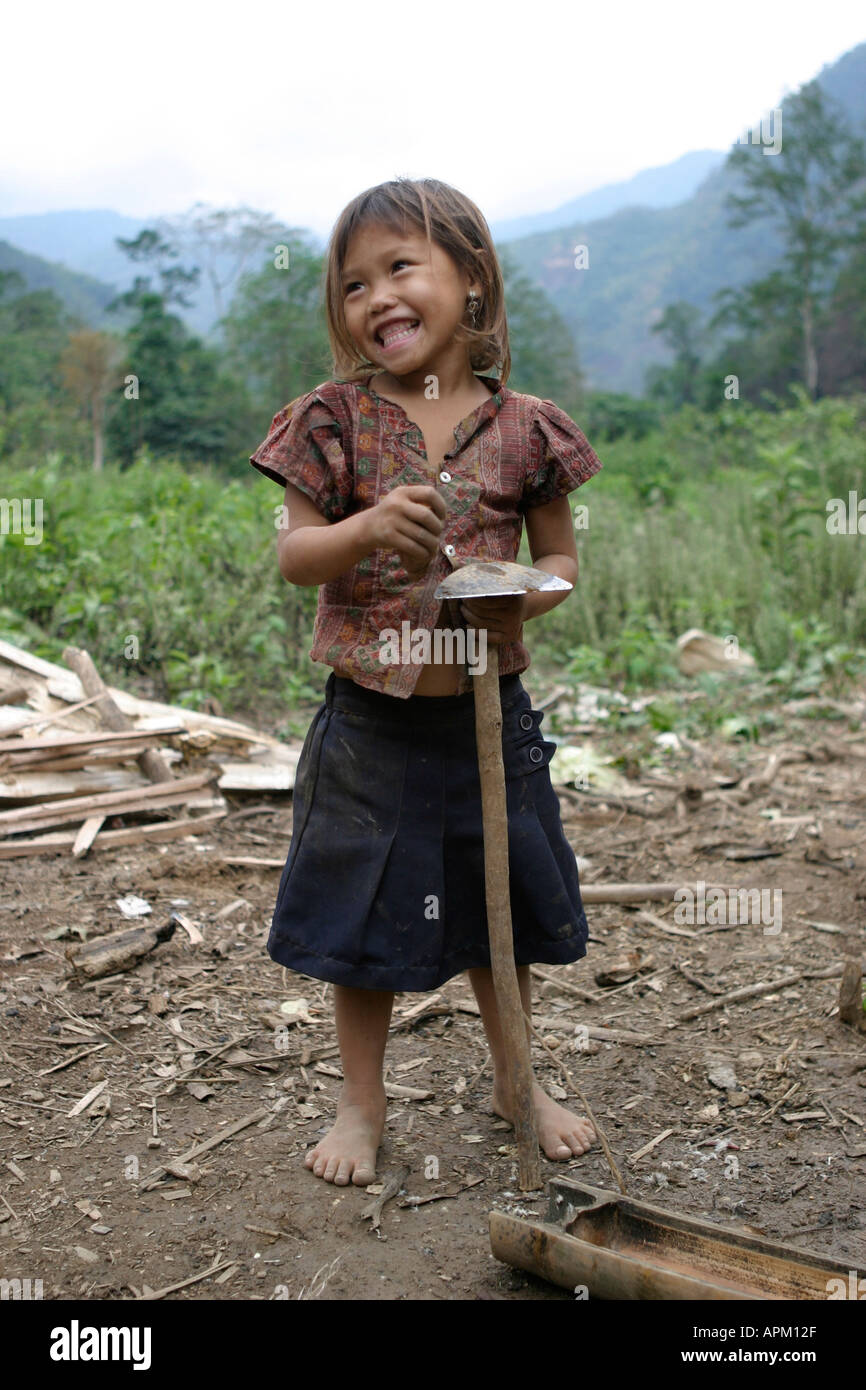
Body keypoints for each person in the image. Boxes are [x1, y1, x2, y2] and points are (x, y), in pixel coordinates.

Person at [249, 177, 604, 1187]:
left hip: (490, 715)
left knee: (501, 906)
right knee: (359, 920)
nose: (376, 296)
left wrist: (517, 600)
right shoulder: (331, 419)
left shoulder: (529, 428)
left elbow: (562, 562)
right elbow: (295, 556)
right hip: (370, 722)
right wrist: (360, 531)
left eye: (400, 267)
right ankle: (360, 1102)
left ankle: (517, 1080)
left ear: (472, 281)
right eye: (353, 282)